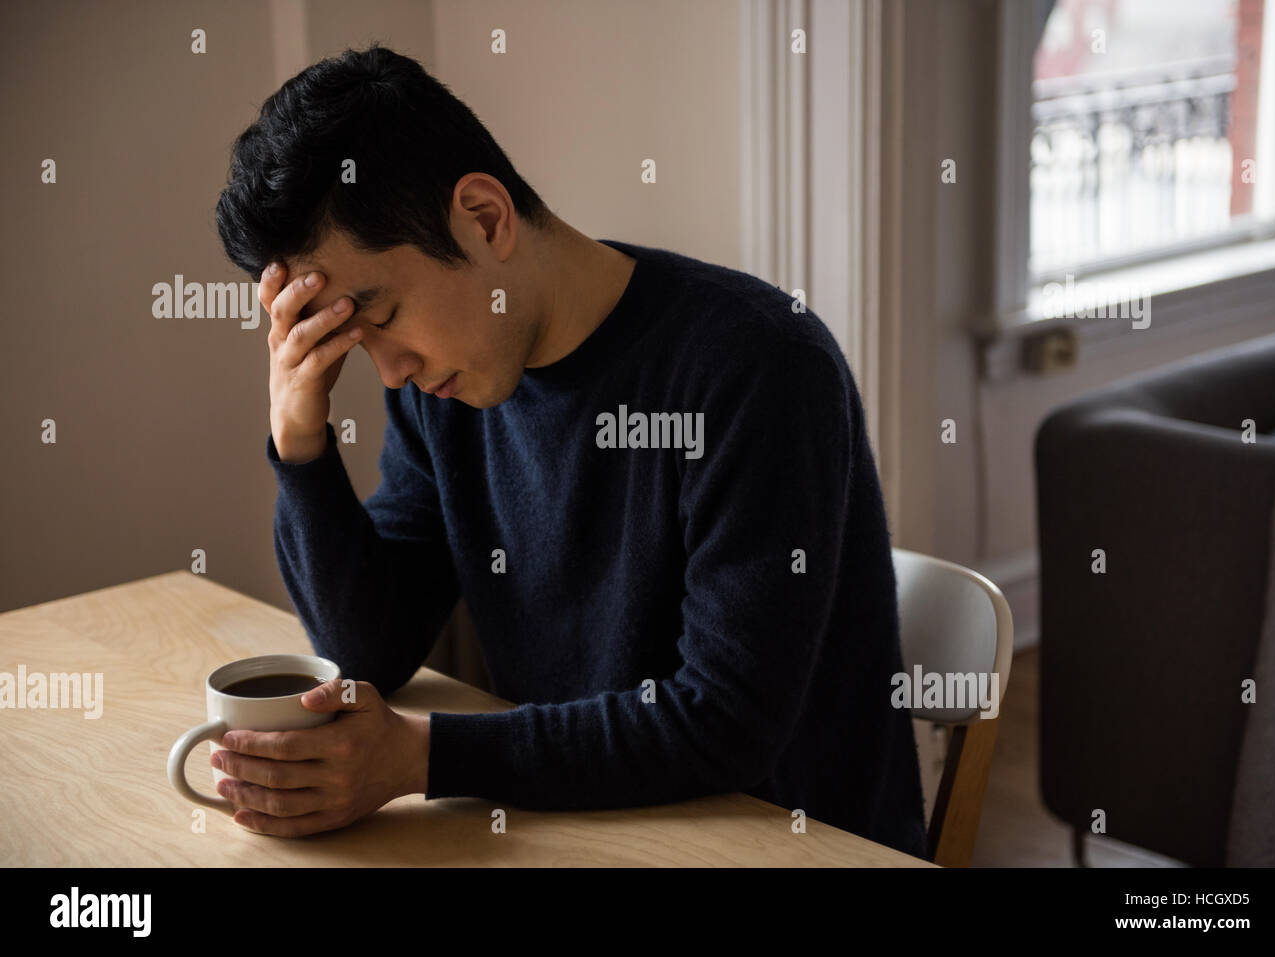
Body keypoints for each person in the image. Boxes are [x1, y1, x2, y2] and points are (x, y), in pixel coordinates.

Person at [214, 43, 928, 858]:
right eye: (342, 332)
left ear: (484, 217)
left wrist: (418, 754)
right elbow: (373, 646)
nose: (389, 366)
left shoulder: (759, 366)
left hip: (788, 847)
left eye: (377, 312)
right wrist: (299, 438)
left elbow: (723, 725)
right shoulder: (442, 385)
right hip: (580, 829)